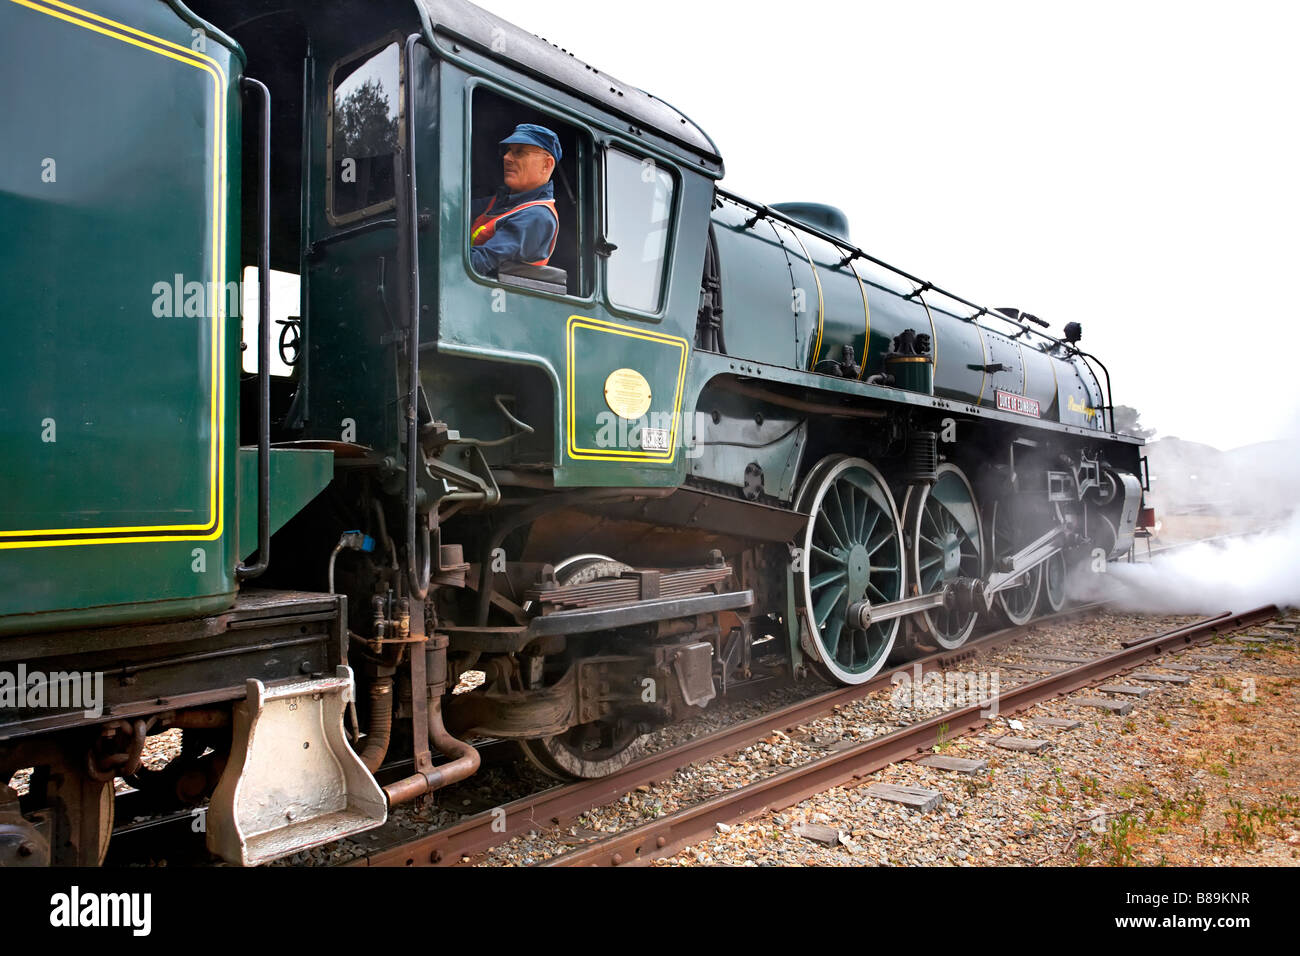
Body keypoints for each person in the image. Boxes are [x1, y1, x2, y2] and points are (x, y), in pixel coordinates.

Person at [469, 123, 561, 276]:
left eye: (519, 152)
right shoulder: (499, 202)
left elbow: (478, 263)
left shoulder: (537, 216)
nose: (506, 157)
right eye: (509, 151)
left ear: (546, 164)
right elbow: (453, 211)